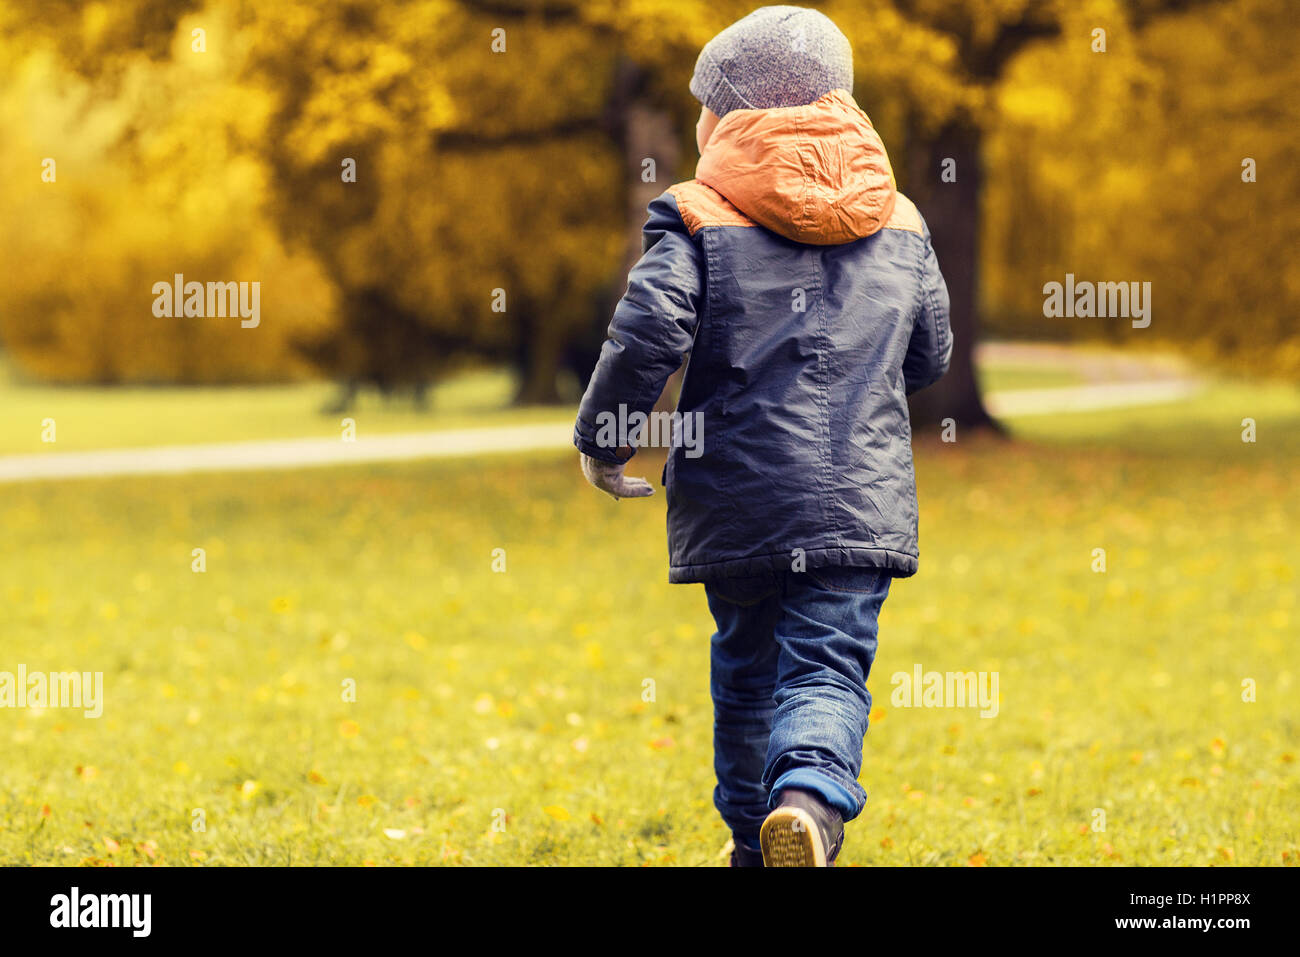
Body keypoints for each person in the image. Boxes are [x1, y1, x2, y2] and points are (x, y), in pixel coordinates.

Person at [574, 5, 952, 866]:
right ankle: (809, 806)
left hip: (737, 500)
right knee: (825, 665)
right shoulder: (901, 220)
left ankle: (756, 844)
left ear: (736, 114)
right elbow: (928, 354)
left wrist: (605, 439)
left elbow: (647, 333)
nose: (702, 121)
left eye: (708, 104)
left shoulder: (698, 214)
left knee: (745, 674)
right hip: (858, 501)